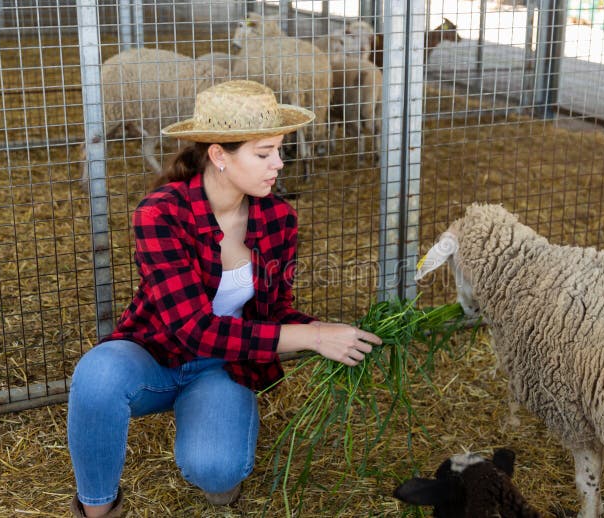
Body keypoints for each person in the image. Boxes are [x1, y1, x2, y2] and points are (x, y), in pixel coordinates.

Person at [67, 80, 382, 518]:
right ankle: (98, 510)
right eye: (264, 153)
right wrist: (310, 338)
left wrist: (331, 332)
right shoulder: (160, 214)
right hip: (155, 355)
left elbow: (276, 312)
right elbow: (192, 329)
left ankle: (211, 429)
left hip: (224, 366)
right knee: (97, 375)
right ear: (219, 156)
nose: (279, 164)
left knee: (216, 470)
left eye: (279, 150)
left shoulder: (279, 218)